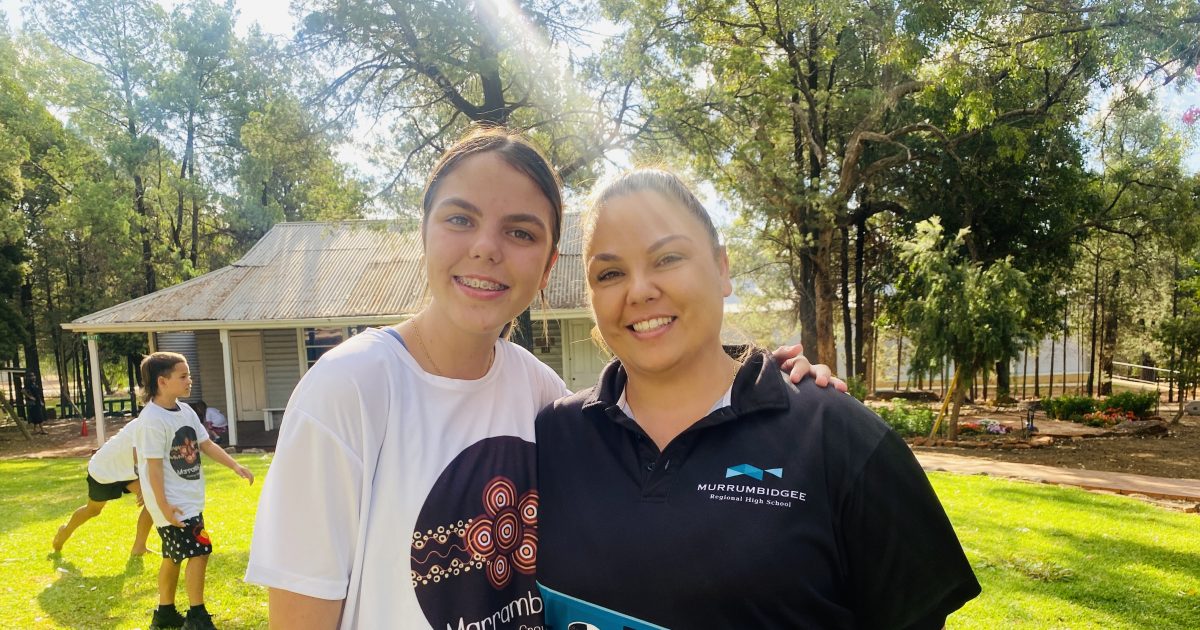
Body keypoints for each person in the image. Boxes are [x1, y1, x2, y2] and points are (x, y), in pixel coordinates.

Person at [245, 127, 839, 630]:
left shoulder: (540, 394)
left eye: (521, 232)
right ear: (423, 232)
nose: (486, 249)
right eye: (461, 218)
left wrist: (780, 386)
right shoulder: (349, 390)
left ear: (550, 263)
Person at [535, 169, 981, 629]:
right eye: (610, 273)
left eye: (667, 258)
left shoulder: (836, 436)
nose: (640, 290)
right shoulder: (551, 437)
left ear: (722, 269)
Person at [135, 352, 254, 630]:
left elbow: (206, 444)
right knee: (201, 550)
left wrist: (235, 466)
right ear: (162, 381)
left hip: (186, 499)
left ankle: (164, 615)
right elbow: (151, 468)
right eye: (183, 376)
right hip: (173, 503)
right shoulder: (152, 419)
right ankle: (197, 616)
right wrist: (164, 507)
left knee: (173, 555)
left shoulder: (185, 411)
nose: (190, 380)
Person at [51, 417, 153, 556]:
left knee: (152, 500)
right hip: (104, 469)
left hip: (127, 471)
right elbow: (137, 455)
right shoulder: (147, 421)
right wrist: (145, 481)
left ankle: (139, 547)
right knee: (93, 510)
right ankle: (65, 531)